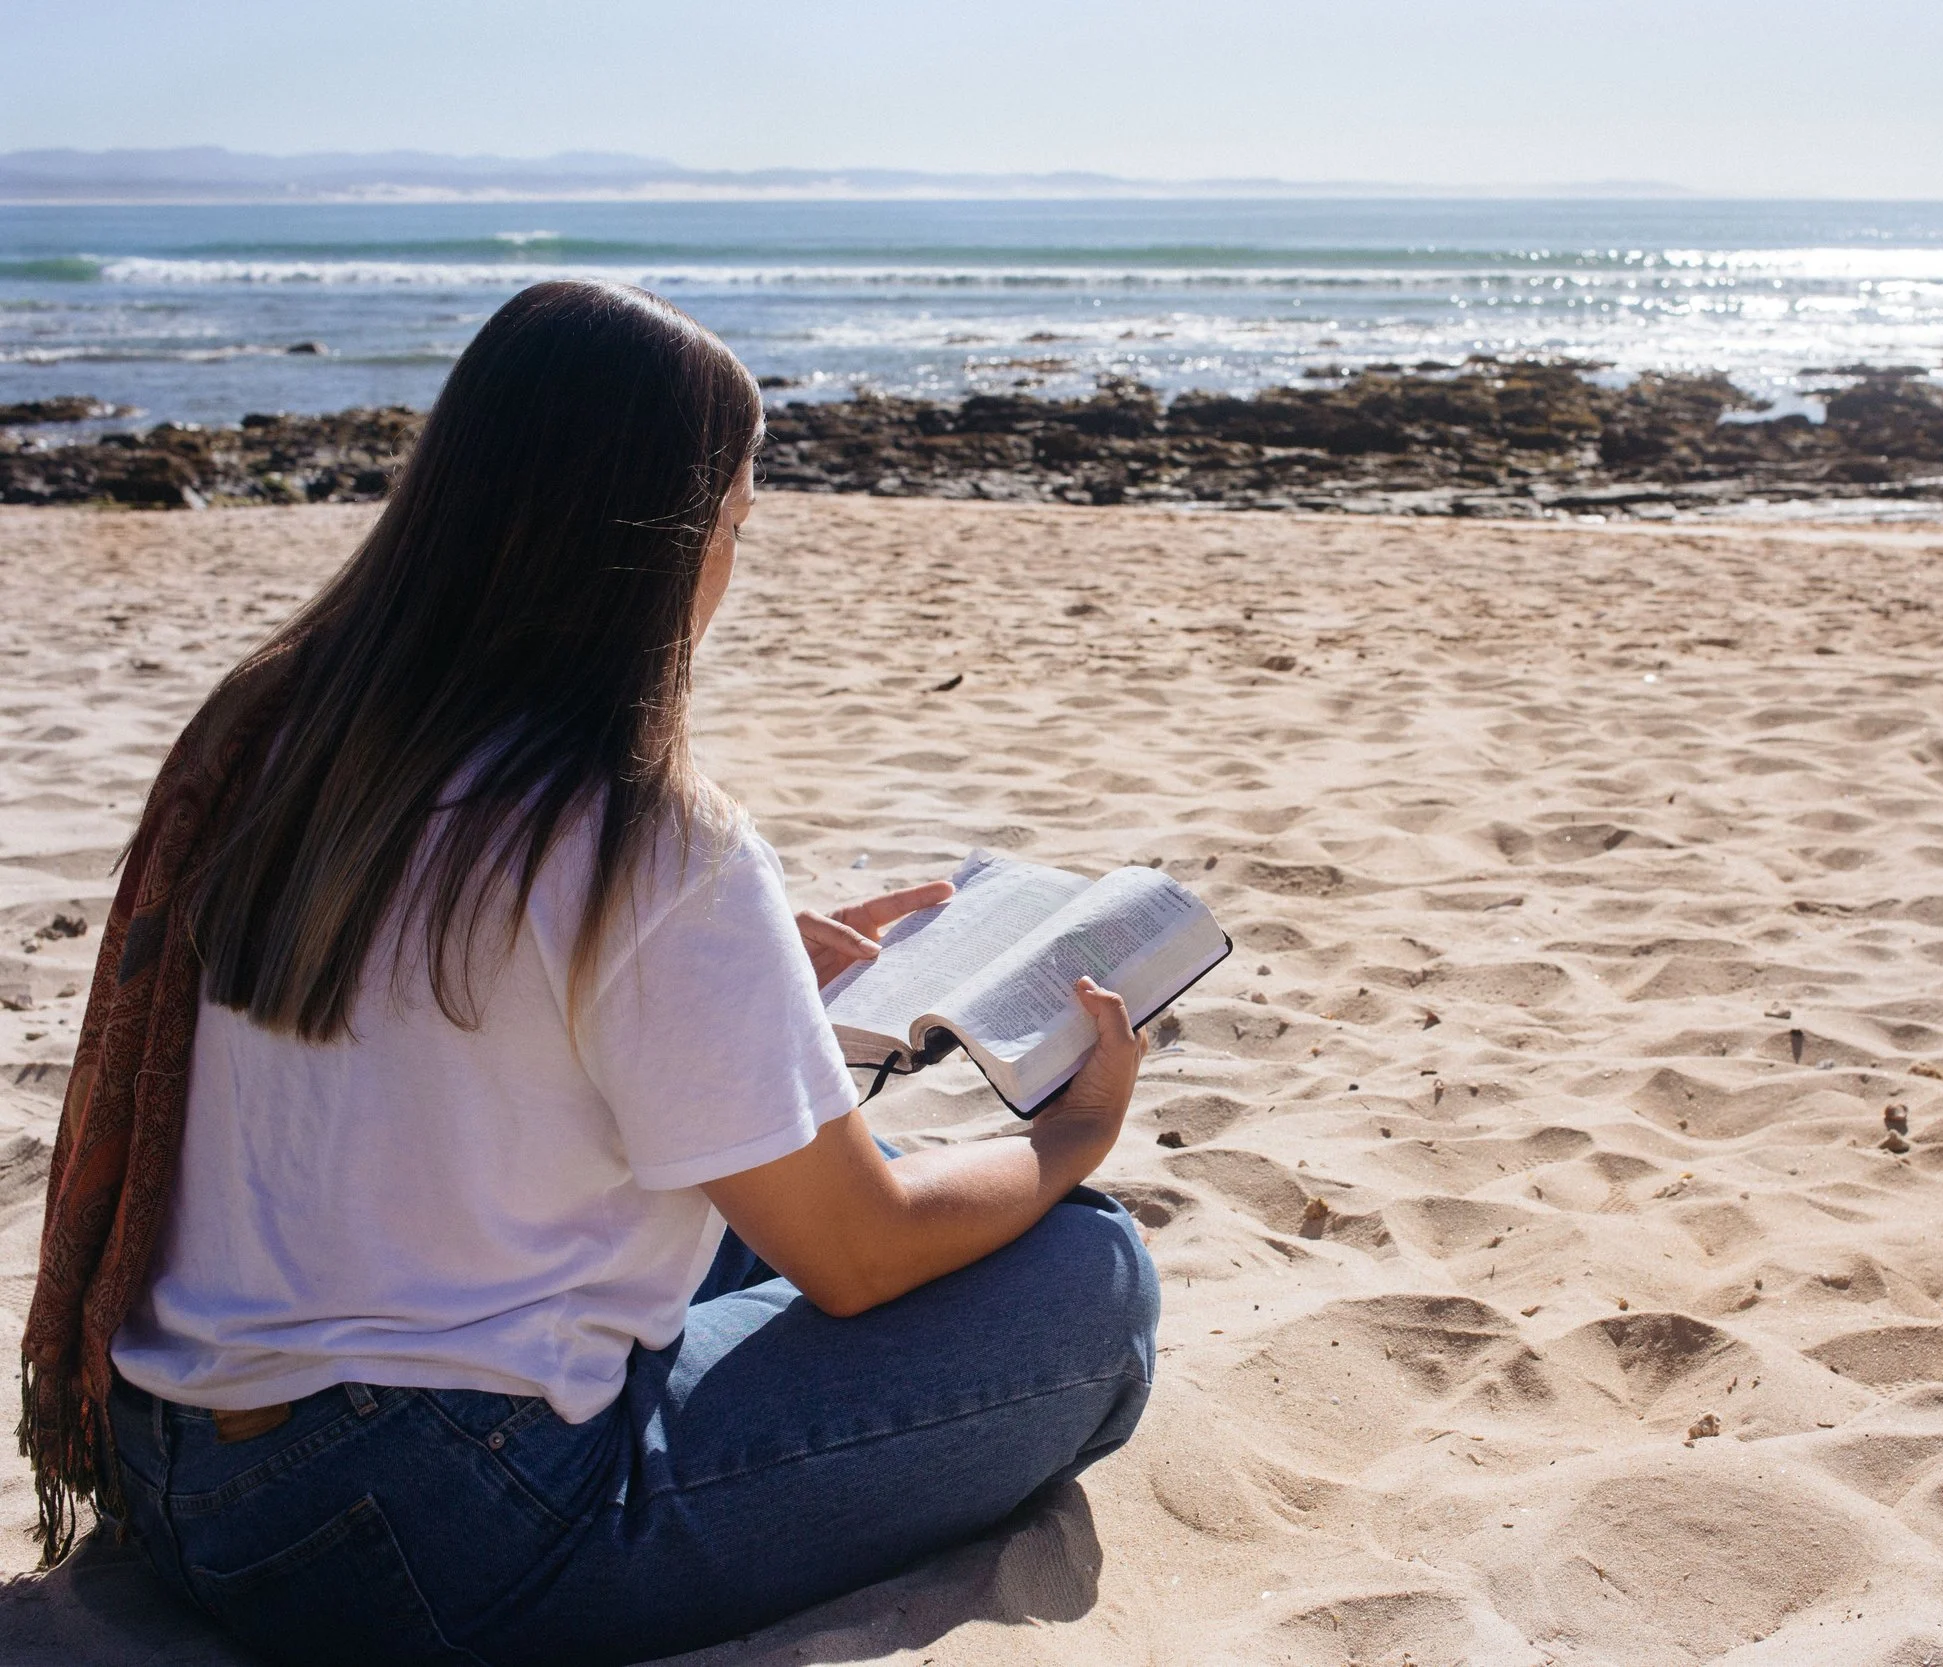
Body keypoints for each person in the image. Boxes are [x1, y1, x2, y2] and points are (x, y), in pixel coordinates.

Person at [17, 278, 1158, 1667]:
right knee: (1092, 1275)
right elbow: (858, 1257)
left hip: (180, 1461)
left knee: (756, 1188)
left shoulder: (290, 737)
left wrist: (751, 986)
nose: (736, 559)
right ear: (668, 542)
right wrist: (1075, 1132)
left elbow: (431, 1020)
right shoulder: (644, 836)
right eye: (735, 521)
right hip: (422, 1531)